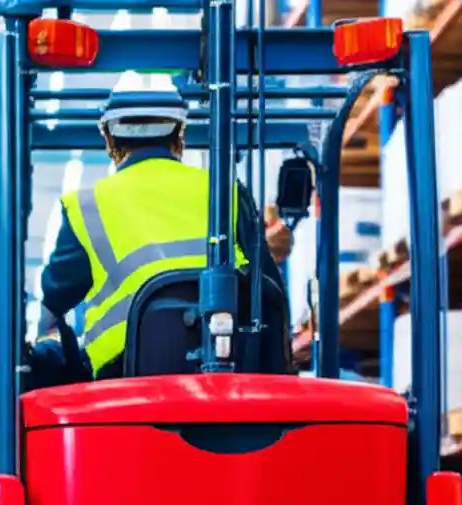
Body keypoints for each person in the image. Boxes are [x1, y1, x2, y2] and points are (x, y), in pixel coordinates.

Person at [31, 86, 293, 383]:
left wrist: (44, 341)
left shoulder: (86, 205)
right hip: (227, 367)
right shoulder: (226, 192)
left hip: (123, 379)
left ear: (108, 139)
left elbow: (55, 295)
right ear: (179, 136)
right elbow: (269, 287)